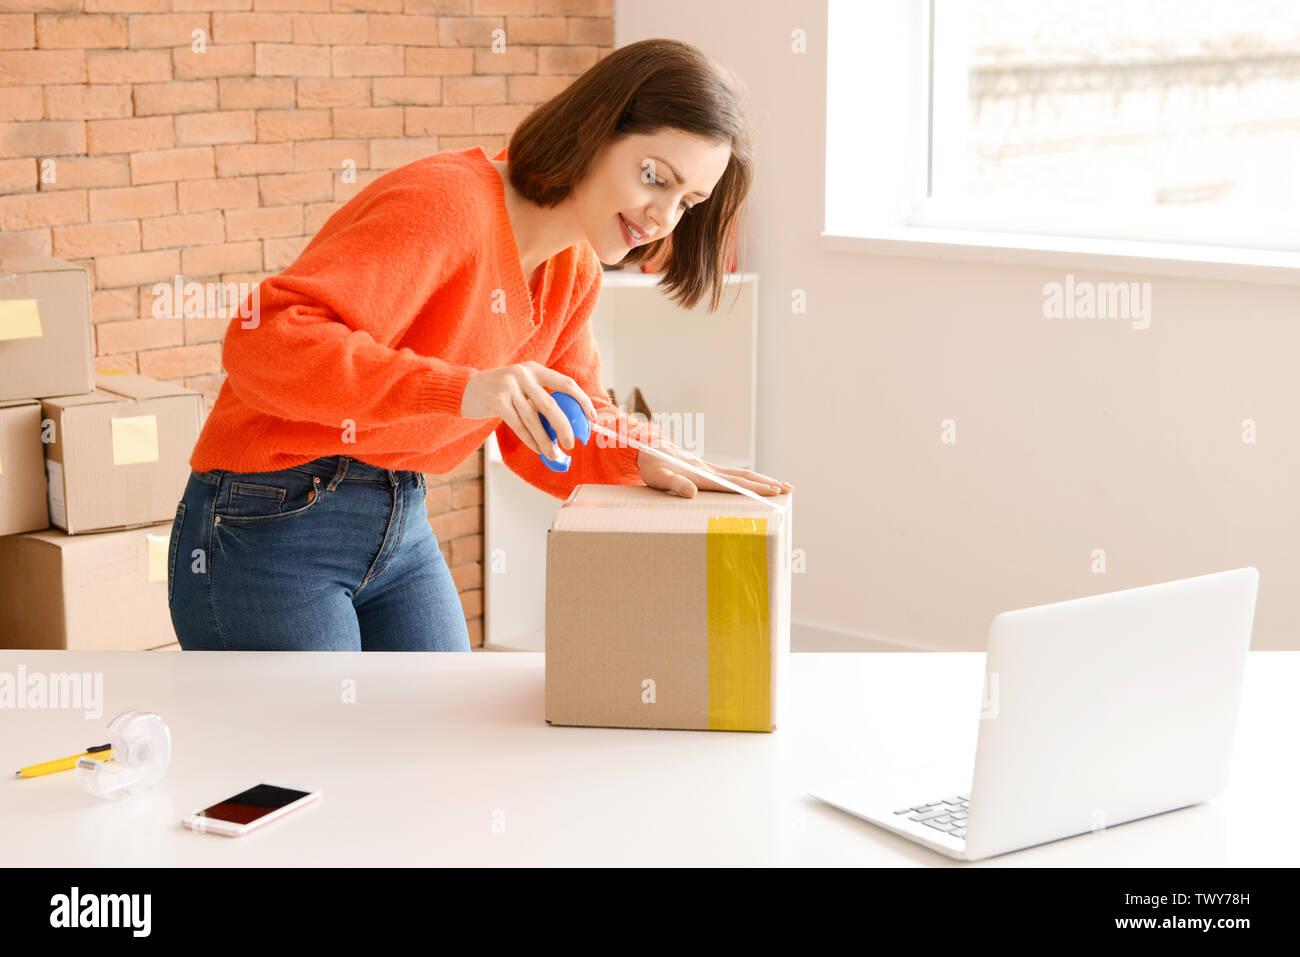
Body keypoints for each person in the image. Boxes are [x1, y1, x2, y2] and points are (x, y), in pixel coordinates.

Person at [168, 38, 793, 652]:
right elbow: (264, 342)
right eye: (654, 177)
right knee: (322, 752)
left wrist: (645, 459)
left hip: (399, 512)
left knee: (444, 743)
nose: (662, 218)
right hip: (268, 514)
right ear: (596, 130)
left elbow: (555, 424)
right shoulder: (451, 205)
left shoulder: (574, 270)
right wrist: (464, 389)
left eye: (687, 201)